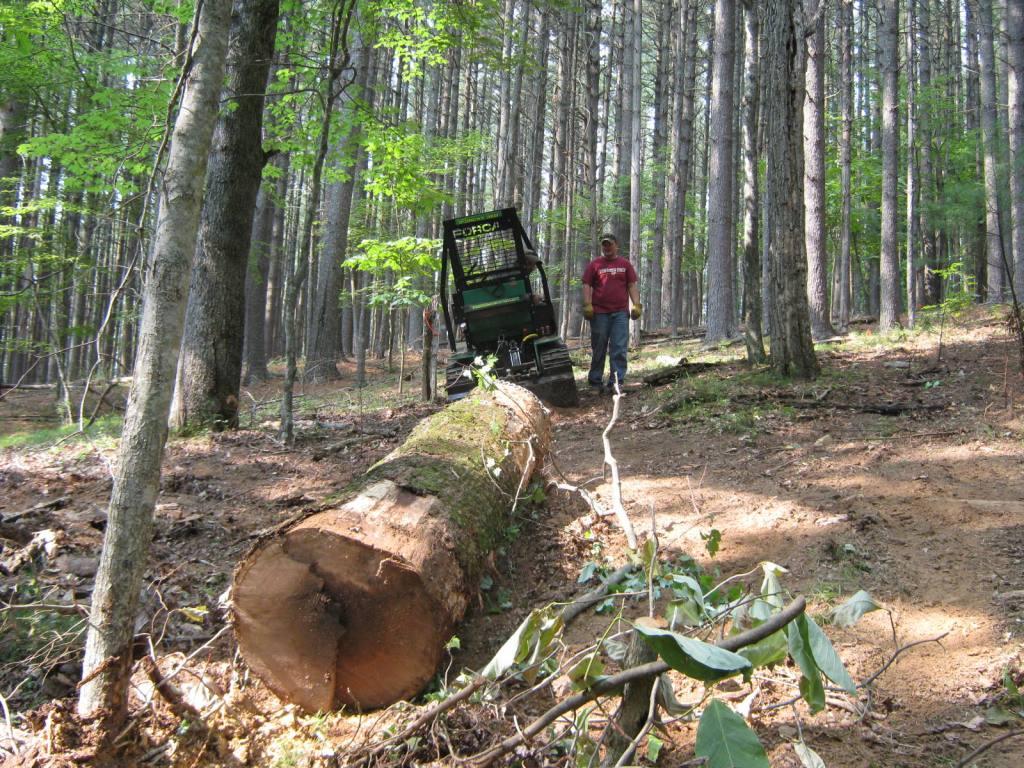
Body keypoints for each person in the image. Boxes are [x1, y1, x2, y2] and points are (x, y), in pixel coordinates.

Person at [582, 233, 641, 393]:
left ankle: (616, 383)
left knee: (619, 347)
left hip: (620, 313)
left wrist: (636, 304)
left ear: (616, 246)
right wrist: (587, 304)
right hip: (599, 313)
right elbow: (587, 285)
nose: (606, 248)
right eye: (604, 245)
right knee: (599, 347)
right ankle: (595, 382)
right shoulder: (594, 265)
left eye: (609, 244)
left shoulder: (625, 264)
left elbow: (631, 285)